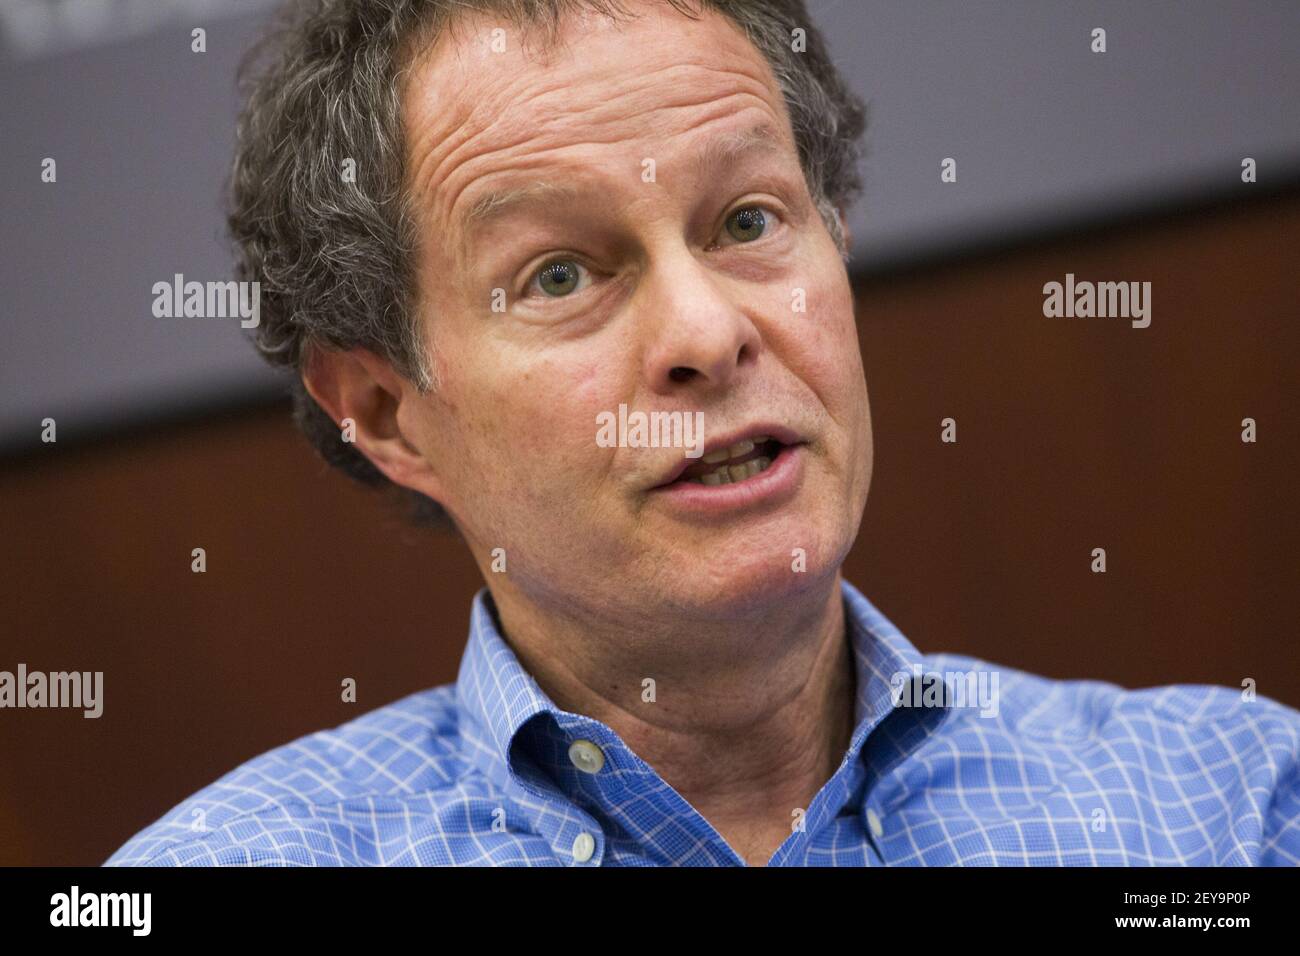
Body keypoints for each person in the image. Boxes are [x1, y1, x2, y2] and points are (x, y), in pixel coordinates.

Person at [107, 0, 1299, 866]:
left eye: (744, 218)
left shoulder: (1228, 809)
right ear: (383, 409)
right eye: (560, 271)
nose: (707, 331)